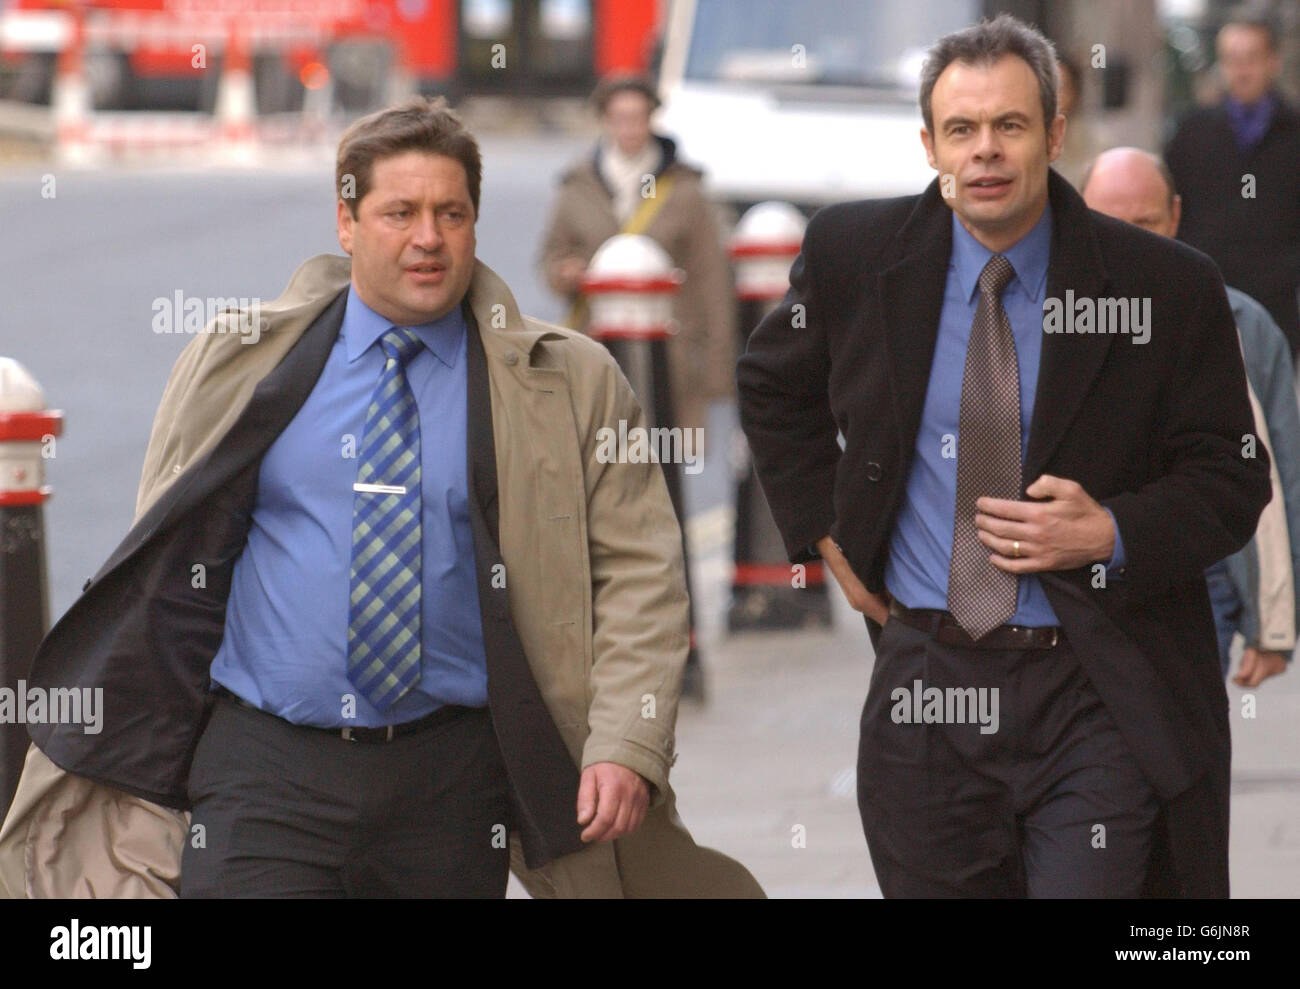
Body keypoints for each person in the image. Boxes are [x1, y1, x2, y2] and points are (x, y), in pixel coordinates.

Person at [0, 97, 763, 900]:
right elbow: (164, 556)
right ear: (347, 221)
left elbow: (641, 572)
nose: (428, 237)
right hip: (265, 768)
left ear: (473, 225)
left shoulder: (568, 382)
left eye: (450, 213)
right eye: (400, 212)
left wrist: (625, 741)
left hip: (451, 780)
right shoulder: (240, 360)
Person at [738, 14, 1270, 897]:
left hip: (1097, 686)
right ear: (930, 145)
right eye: (961, 129)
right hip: (927, 684)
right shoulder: (853, 254)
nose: (984, 149)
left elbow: (1232, 473)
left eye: (1009, 125)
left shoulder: (1166, 285)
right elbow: (770, 386)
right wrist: (831, 541)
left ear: (1054, 135)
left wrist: (1110, 531)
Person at [1081, 147, 1299, 688]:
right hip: (1073, 574)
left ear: (1175, 215)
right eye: (1108, 223)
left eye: (1145, 223)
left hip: (1201, 577)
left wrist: (1275, 626)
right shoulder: (1042, 316)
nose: (1128, 241)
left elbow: (1282, 477)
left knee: (1170, 730)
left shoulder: (1243, 327)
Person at [537, 74, 736, 435]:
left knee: (665, 450)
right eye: (620, 118)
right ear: (605, 120)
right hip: (596, 343)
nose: (629, 128)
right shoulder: (577, 185)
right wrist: (564, 272)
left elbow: (712, 277)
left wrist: (718, 364)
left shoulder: (685, 189)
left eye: (638, 117)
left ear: (652, 119)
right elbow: (551, 255)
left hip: (671, 348)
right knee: (603, 447)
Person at [1165, 9, 1300, 362]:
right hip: (1207, 297)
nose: (1242, 70)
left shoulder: (1293, 132)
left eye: (1251, 58)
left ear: (1273, 61)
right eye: (1232, 59)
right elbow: (1173, 205)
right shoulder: (1191, 132)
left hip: (1278, 304)